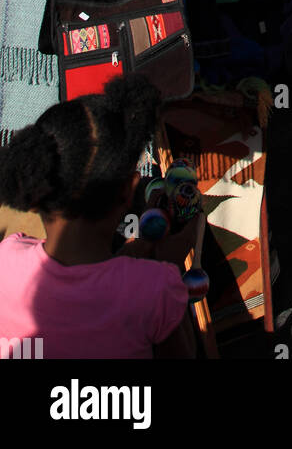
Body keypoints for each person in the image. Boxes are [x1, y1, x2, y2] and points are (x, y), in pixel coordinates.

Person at [0, 76, 196, 358]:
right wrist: (171, 272)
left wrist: (140, 251)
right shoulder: (155, 291)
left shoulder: (6, 260)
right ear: (130, 190)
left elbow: (80, 296)